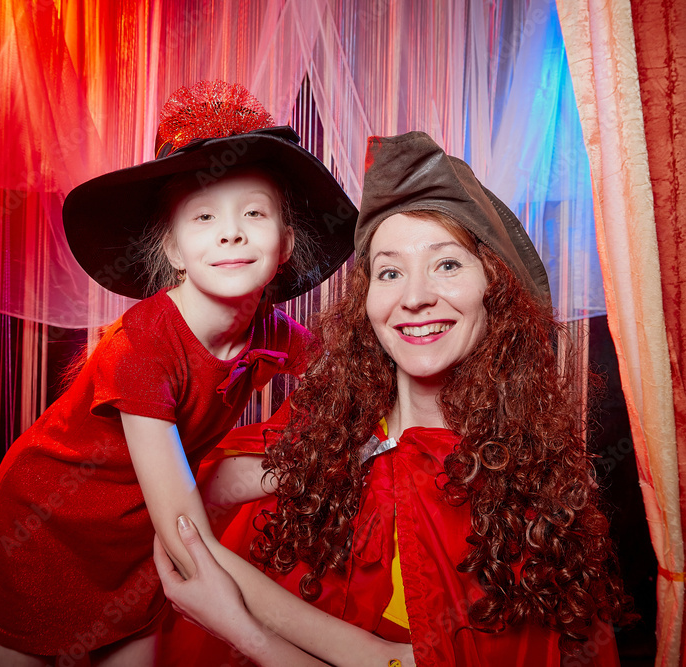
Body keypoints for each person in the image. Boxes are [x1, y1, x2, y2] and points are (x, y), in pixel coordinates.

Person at [0, 81, 412, 667]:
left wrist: (378, 443)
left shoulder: (273, 332)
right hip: (43, 536)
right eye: (204, 216)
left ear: (286, 242)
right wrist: (349, 652)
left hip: (139, 541)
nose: (231, 231)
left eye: (254, 213)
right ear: (171, 248)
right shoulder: (141, 346)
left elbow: (353, 383)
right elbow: (187, 534)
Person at [156, 131, 636, 666]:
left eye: (447, 264)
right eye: (390, 271)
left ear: (493, 287)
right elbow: (194, 512)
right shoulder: (322, 431)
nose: (414, 297)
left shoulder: (521, 481)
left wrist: (240, 625)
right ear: (367, 301)